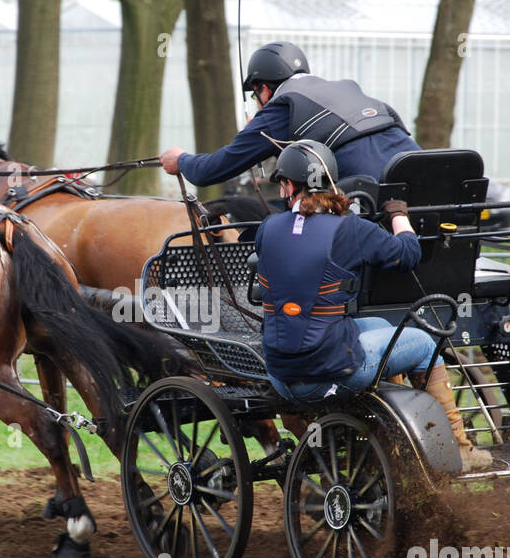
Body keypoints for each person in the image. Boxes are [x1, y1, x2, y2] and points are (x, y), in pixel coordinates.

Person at [254, 139, 492, 473]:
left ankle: (391, 433)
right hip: (327, 374)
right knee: (424, 344)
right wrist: (399, 217)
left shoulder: (268, 229)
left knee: (381, 327)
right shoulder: (350, 229)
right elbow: (408, 254)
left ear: (289, 185)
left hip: (281, 374)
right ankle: (461, 450)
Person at [161, 41, 420, 187]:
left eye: (255, 96)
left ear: (262, 88)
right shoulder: (346, 88)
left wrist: (182, 160)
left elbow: (211, 171)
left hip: (376, 199)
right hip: (424, 174)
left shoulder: (282, 106)